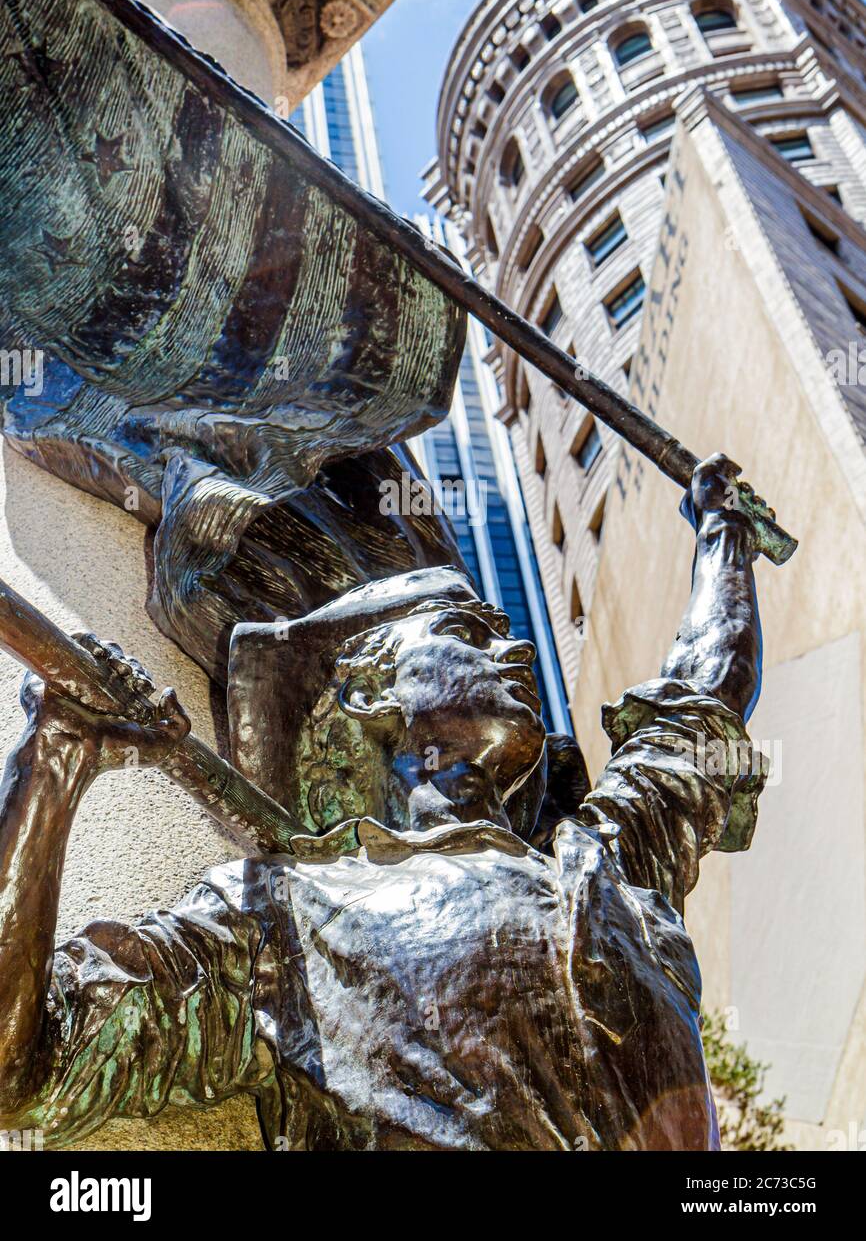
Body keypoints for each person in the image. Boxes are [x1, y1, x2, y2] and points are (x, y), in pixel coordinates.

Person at [0, 454, 767, 1150]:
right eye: (472, 631)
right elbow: (19, 1068)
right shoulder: (282, 920)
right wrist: (57, 758)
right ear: (371, 692)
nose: (517, 650)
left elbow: (700, 699)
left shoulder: (605, 865)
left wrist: (725, 530)